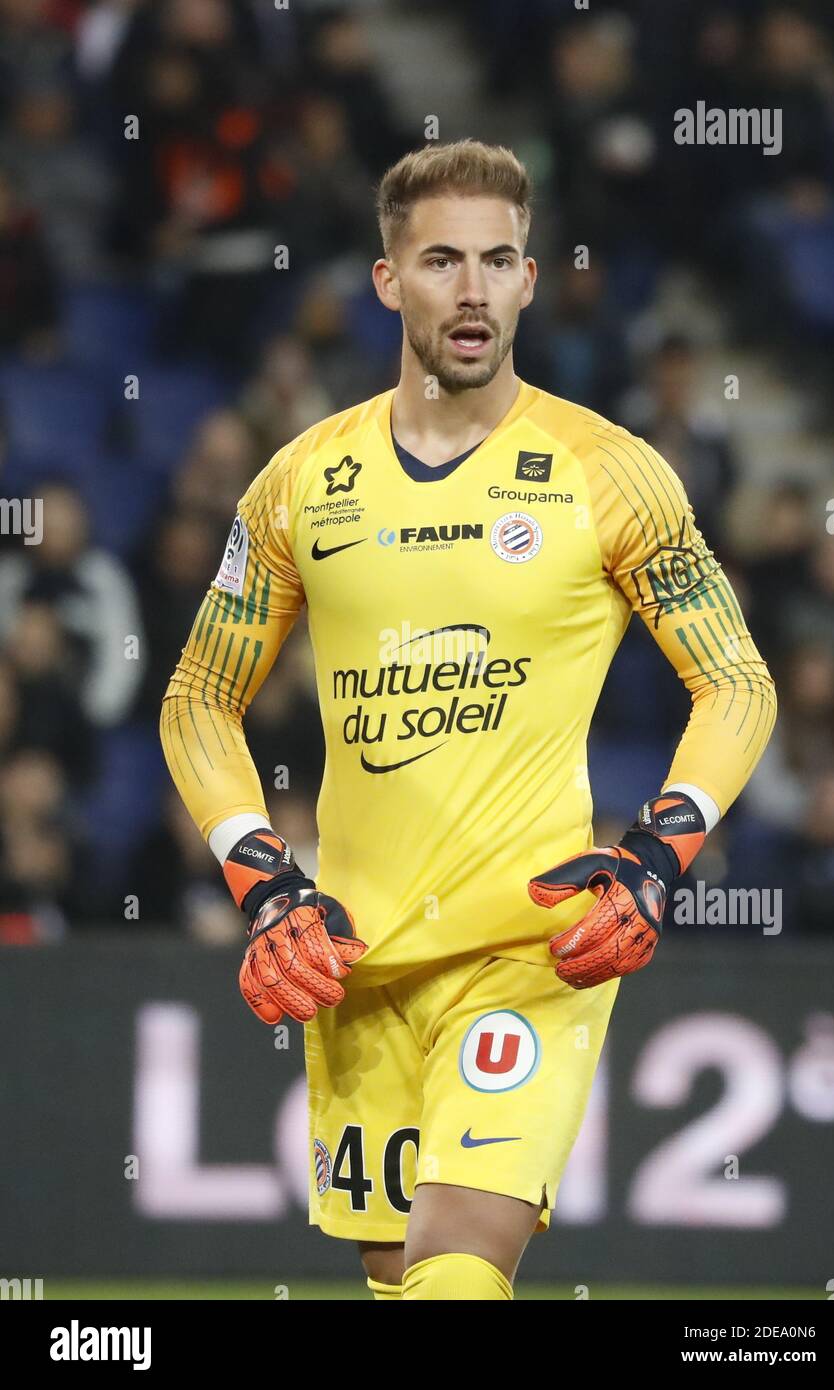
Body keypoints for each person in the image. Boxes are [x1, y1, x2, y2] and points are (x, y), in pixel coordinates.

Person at [160, 140, 776, 1301]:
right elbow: (197, 694)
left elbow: (736, 679)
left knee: (456, 1269)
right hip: (354, 962)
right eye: (441, 260)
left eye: (498, 260)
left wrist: (658, 854)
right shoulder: (299, 481)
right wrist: (262, 878)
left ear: (531, 279)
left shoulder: (609, 470)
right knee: (401, 1283)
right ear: (388, 282)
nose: (473, 288)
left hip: (530, 949)